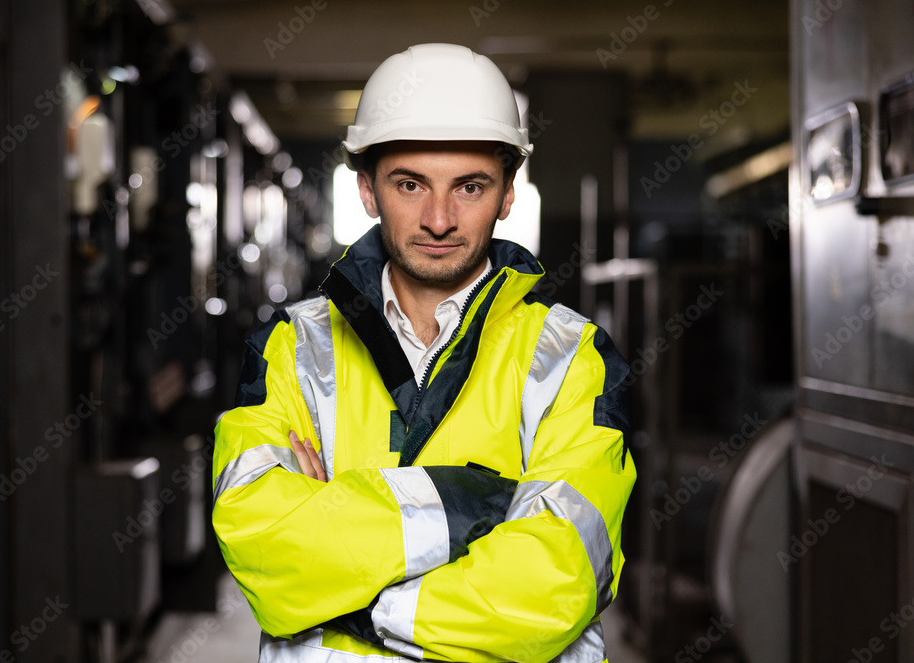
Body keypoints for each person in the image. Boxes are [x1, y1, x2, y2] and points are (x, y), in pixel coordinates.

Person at [212, 43, 636, 663]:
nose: (439, 219)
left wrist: (352, 590)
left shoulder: (572, 358)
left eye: (470, 186)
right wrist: (478, 506)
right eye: (410, 184)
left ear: (508, 194)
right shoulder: (293, 346)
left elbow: (551, 587)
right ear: (367, 190)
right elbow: (265, 542)